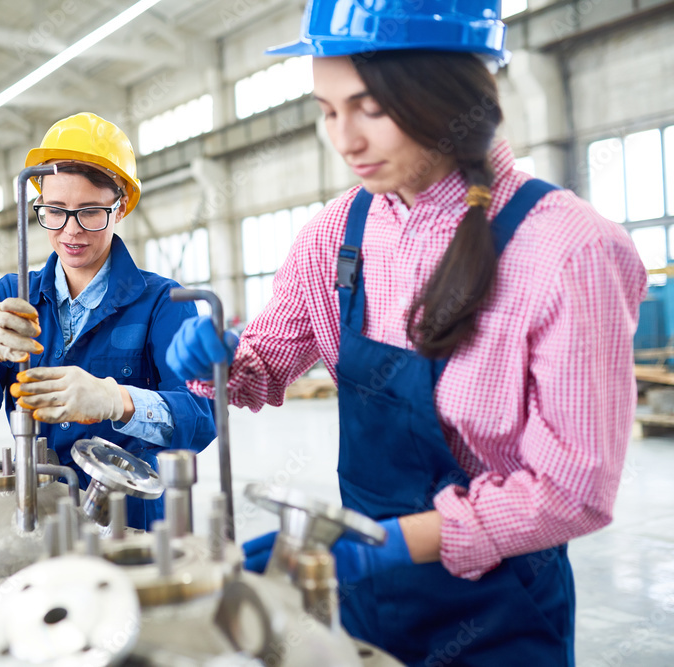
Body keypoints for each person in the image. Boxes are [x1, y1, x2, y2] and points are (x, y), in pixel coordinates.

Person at [165, 1, 646, 665]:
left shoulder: (567, 251)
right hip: (365, 599)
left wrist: (386, 542)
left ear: (445, 92)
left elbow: (573, 491)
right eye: (327, 110)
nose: (345, 140)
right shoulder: (336, 237)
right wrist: (216, 362)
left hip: (500, 613)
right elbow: (260, 368)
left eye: (369, 107)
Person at [0, 112, 216, 529]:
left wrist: (118, 400)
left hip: (133, 520)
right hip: (38, 507)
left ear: (119, 209)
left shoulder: (164, 302)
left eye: (90, 212)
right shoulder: (11, 297)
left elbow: (200, 418)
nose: (71, 230)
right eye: (55, 211)